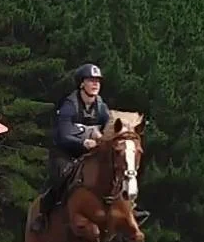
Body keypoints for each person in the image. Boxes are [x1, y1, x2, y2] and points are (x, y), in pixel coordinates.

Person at [30, 63, 150, 233]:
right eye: (91, 81)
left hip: (90, 152)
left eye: (98, 81)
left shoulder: (101, 107)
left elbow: (108, 129)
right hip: (65, 151)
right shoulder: (69, 105)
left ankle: (129, 208)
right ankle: (43, 214)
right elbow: (64, 135)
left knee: (118, 168)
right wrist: (84, 142)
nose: (95, 85)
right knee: (62, 176)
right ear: (81, 84)